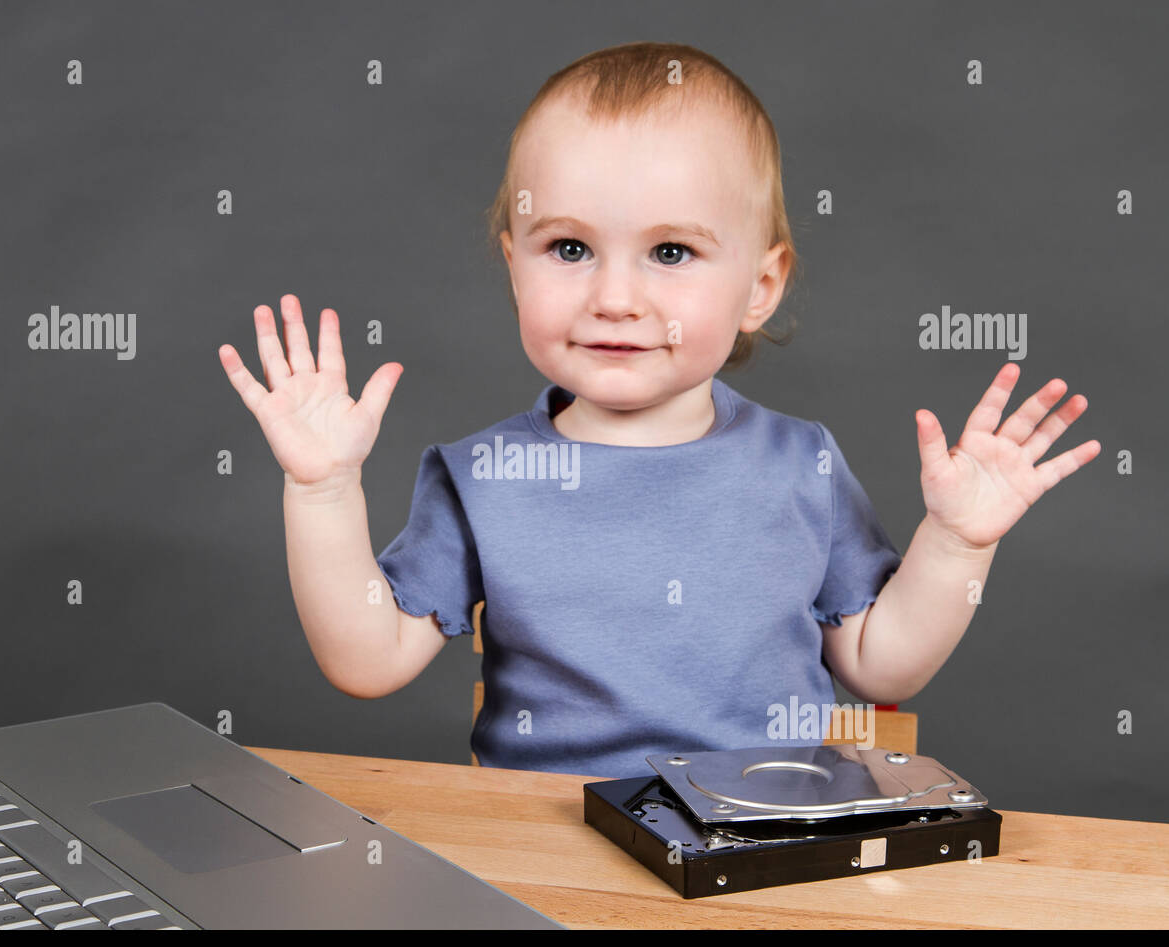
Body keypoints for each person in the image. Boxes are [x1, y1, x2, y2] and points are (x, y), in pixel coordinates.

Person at [218, 42, 1098, 777]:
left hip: (767, 847)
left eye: (670, 251)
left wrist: (958, 542)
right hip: (548, 860)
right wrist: (324, 491)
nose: (615, 296)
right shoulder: (480, 477)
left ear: (760, 286)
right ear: (515, 264)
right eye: (569, 247)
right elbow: (365, 662)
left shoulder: (803, 464)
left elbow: (881, 662)